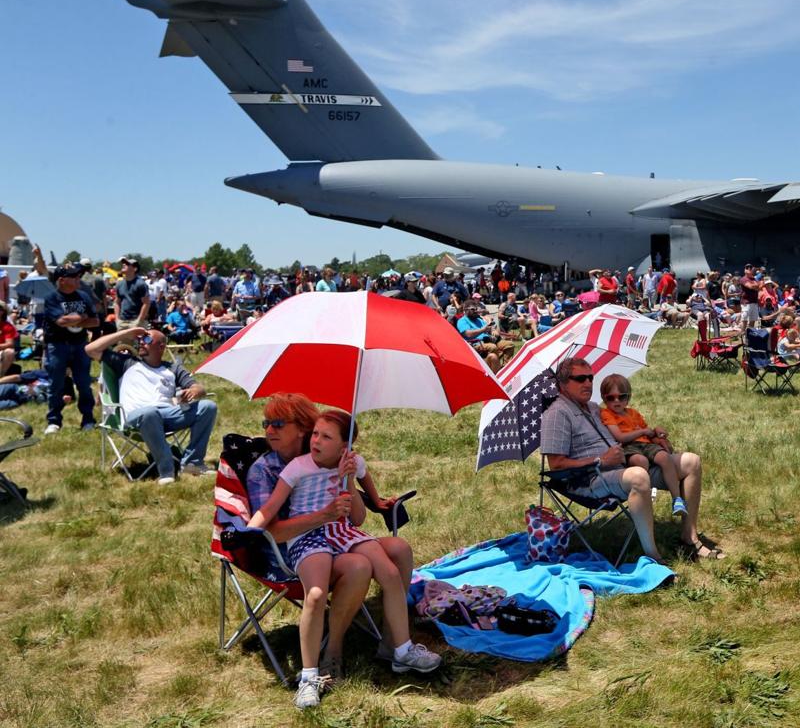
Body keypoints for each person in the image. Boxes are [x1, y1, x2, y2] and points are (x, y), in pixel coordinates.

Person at [248, 408, 440, 707]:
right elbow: (270, 509)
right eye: (315, 434)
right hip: (309, 536)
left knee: (389, 571)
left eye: (326, 437)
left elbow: (361, 516)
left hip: (342, 531)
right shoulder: (298, 468)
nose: (316, 441)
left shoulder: (353, 463)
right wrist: (250, 529)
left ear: (344, 446)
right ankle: (309, 676)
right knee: (314, 595)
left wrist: (353, 483)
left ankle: (400, 649)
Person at [540, 358, 721, 561]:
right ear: (562, 383)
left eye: (590, 377)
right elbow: (556, 464)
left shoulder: (592, 407)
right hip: (588, 478)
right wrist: (601, 459)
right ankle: (653, 556)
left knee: (691, 461)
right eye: (581, 378)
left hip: (624, 464)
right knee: (638, 476)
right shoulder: (556, 414)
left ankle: (689, 536)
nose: (588, 383)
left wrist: (652, 437)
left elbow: (623, 428)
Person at [85, 326, 217, 482]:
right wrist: (126, 334)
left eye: (146, 339)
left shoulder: (172, 369)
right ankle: (166, 470)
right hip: (138, 417)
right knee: (149, 413)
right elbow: (90, 349)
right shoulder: (127, 363)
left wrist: (195, 391)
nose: (141, 343)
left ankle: (192, 463)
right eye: (140, 340)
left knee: (208, 406)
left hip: (168, 415)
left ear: (161, 346)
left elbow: (198, 386)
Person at [598, 374, 687, 518]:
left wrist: (657, 432)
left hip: (646, 444)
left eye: (622, 397)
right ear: (604, 398)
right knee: (641, 461)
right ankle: (644, 496)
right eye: (610, 397)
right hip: (628, 447)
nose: (617, 401)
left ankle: (677, 499)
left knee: (664, 457)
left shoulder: (633, 413)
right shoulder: (607, 414)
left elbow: (648, 432)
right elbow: (619, 437)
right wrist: (643, 431)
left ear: (628, 397)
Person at [42, 263, 99, 434]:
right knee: (56, 384)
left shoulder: (83, 296)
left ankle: (88, 419)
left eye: (78, 276)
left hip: (80, 344)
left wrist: (74, 319)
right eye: (74, 277)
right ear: (62, 280)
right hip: (57, 345)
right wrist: (82, 317)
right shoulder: (52, 298)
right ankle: (54, 421)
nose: (78, 279)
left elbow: (95, 321)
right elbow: (60, 322)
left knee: (84, 383)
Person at [456, 302, 515, 372]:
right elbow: (468, 334)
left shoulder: (479, 320)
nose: (475, 311)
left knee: (509, 345)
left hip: (489, 340)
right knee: (492, 347)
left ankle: (505, 369)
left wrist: (493, 331)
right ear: (465, 310)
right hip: (475, 344)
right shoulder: (462, 321)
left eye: (476, 309)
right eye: (473, 309)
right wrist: (482, 330)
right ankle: (495, 369)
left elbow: (490, 328)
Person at [115, 256, 150, 331]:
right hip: (122, 322)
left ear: (135, 269)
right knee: (122, 343)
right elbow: (117, 302)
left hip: (136, 321)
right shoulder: (119, 284)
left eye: (127, 264)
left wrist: (139, 321)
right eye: (123, 263)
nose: (124, 265)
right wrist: (117, 319)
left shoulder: (140, 284)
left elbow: (146, 303)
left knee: (137, 343)